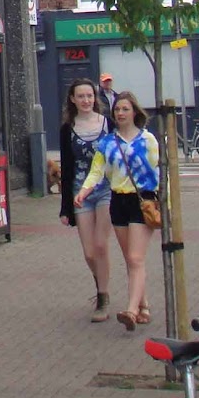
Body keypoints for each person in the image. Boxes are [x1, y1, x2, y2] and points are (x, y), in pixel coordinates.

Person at [74, 90, 159, 330]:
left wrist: (167, 203)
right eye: (118, 110)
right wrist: (84, 191)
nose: (120, 113)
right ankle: (143, 305)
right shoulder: (108, 143)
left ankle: (131, 311)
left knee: (135, 257)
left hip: (143, 200)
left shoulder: (148, 140)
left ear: (134, 112)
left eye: (125, 109)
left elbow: (160, 172)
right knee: (130, 259)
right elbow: (96, 171)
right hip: (118, 201)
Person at [58, 78, 113, 321]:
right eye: (80, 96)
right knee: (89, 253)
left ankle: (103, 298)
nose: (86, 100)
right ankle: (100, 281)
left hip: (106, 190)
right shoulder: (67, 129)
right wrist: (65, 207)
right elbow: (67, 169)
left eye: (89, 96)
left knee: (101, 245)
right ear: (72, 99)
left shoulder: (107, 124)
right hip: (80, 193)